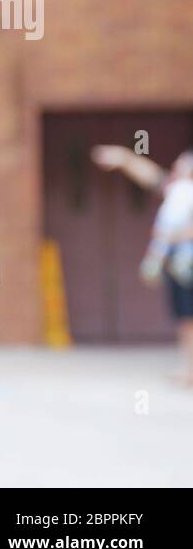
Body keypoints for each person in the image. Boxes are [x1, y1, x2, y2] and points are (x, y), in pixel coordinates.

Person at [93, 145, 193, 385]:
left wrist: (171, 237)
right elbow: (150, 175)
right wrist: (123, 158)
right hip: (179, 266)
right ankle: (189, 368)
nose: (178, 165)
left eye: (184, 162)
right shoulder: (177, 191)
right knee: (186, 319)